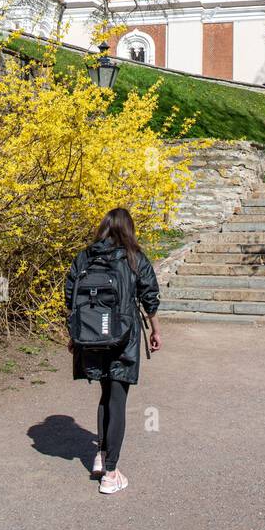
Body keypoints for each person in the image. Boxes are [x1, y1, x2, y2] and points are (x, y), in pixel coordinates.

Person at [64, 207, 162, 494]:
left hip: (91, 337)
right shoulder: (134, 258)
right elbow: (150, 297)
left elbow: (71, 297)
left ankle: (101, 455)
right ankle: (111, 472)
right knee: (117, 399)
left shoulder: (85, 257)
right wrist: (156, 330)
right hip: (123, 337)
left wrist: (74, 334)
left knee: (105, 395)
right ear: (128, 230)